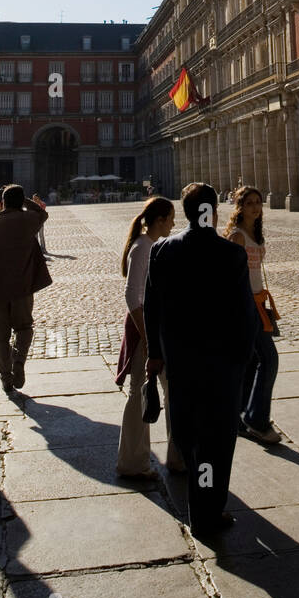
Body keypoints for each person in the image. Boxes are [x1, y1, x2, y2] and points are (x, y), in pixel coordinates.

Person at [143, 182, 258, 540]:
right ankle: (208, 508)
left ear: (186, 210)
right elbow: (245, 316)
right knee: (217, 444)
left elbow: (152, 308)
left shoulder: (163, 249)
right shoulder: (230, 254)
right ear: (214, 211)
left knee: (191, 440)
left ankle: (200, 507)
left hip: (182, 365)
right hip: (222, 367)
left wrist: (156, 356)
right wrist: (244, 360)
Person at [115, 197, 185, 477]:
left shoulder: (151, 245)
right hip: (146, 331)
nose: (173, 223)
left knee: (171, 392)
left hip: (157, 329)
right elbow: (132, 296)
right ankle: (132, 462)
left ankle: (177, 456)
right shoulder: (142, 248)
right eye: (170, 218)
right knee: (140, 395)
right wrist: (148, 337)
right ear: (159, 220)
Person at [0, 185, 51, 392]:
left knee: (1, 335)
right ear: (21, 202)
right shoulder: (28, 221)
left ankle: (6, 377)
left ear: (1, 203)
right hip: (23, 287)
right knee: (24, 328)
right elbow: (42, 212)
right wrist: (24, 200)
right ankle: (19, 361)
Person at [224, 187, 281, 445]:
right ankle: (257, 419)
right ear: (240, 207)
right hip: (245, 306)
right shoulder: (237, 237)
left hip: (258, 302)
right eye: (250, 203)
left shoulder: (255, 233)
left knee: (250, 363)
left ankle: (238, 417)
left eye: (258, 202)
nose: (256, 207)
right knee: (269, 359)